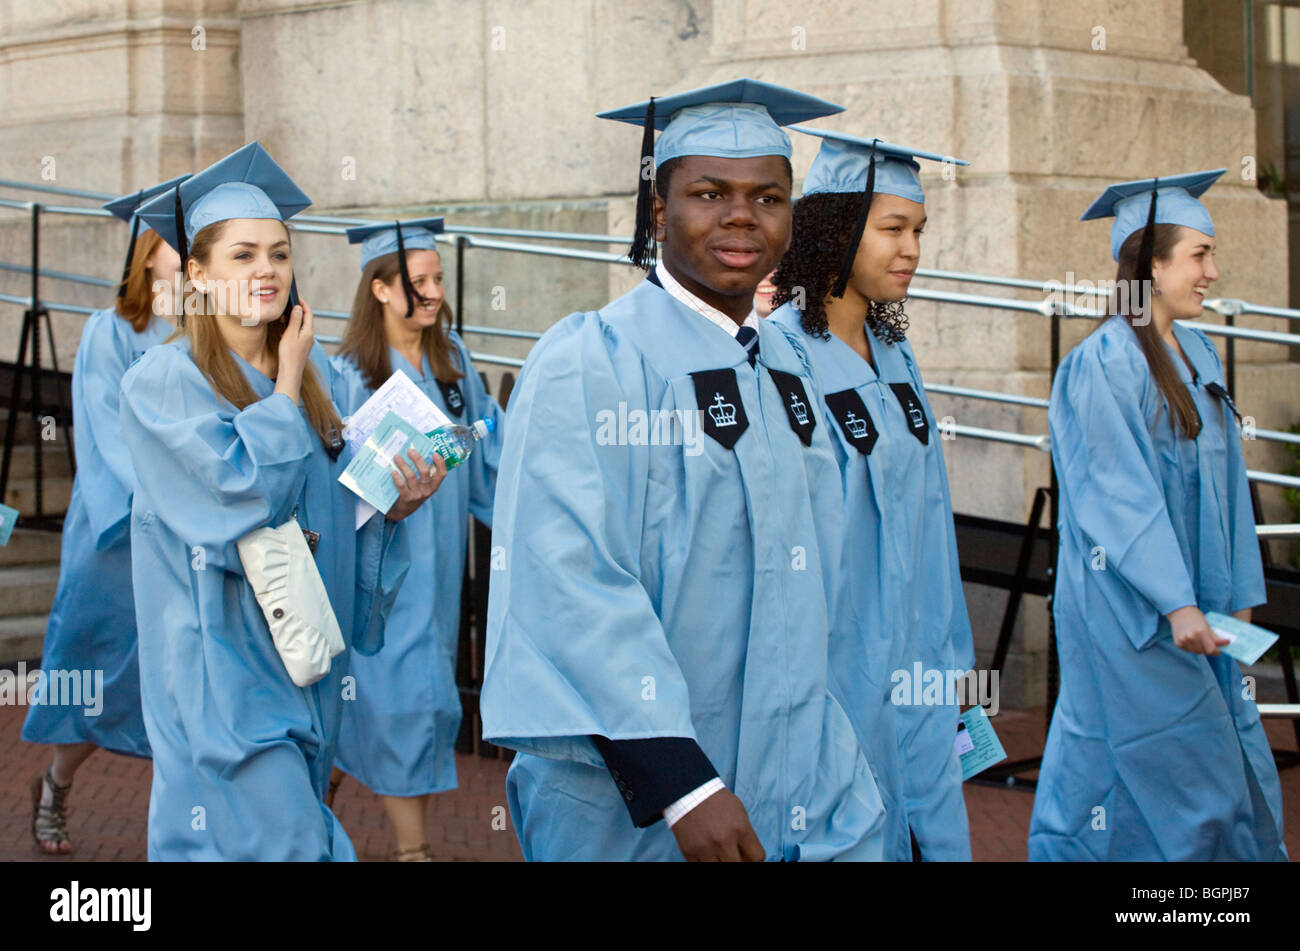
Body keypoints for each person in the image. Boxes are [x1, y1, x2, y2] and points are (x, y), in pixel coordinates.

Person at [481, 78, 884, 862]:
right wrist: (681, 782)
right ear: (659, 210)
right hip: (641, 805)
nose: (741, 216)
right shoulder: (592, 360)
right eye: (709, 192)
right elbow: (570, 579)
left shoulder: (787, 371)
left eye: (768, 197)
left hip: (788, 789)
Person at [122, 143, 444, 861]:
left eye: (278, 253)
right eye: (241, 255)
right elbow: (244, 496)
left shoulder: (316, 376)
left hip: (307, 672)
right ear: (198, 276)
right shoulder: (162, 382)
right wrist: (287, 383)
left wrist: (392, 509)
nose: (266, 270)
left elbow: (333, 522)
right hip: (224, 680)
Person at [1028, 169, 1287, 861]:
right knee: (1171, 778)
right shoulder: (1102, 364)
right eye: (1198, 254)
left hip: (1203, 614)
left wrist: (1238, 598)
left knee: (1213, 771)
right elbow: (1118, 498)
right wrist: (1176, 603)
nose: (1212, 270)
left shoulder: (1197, 354)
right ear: (1152, 264)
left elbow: (1229, 486)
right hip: (1133, 613)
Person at [770, 130, 975, 861]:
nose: (911, 248)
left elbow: (932, 525)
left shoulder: (896, 355)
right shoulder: (780, 352)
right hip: (839, 667)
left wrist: (954, 662)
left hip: (916, 665)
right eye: (892, 229)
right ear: (835, 226)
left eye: (917, 230)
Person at [328, 217, 504, 862]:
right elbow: (331, 484)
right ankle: (414, 852)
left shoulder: (454, 366)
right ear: (379, 289)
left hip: (439, 575)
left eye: (436, 280)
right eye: (417, 281)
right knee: (398, 701)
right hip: (379, 571)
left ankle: (307, 812)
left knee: (393, 706)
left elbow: (489, 456)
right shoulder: (346, 374)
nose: (432, 292)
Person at [23, 175, 188, 854]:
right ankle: (57, 784)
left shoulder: (214, 332)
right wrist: (164, 503)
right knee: (98, 679)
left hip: (188, 538)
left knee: (183, 692)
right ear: (151, 252)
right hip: (119, 539)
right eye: (186, 243)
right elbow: (103, 434)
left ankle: (177, 830)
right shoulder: (111, 332)